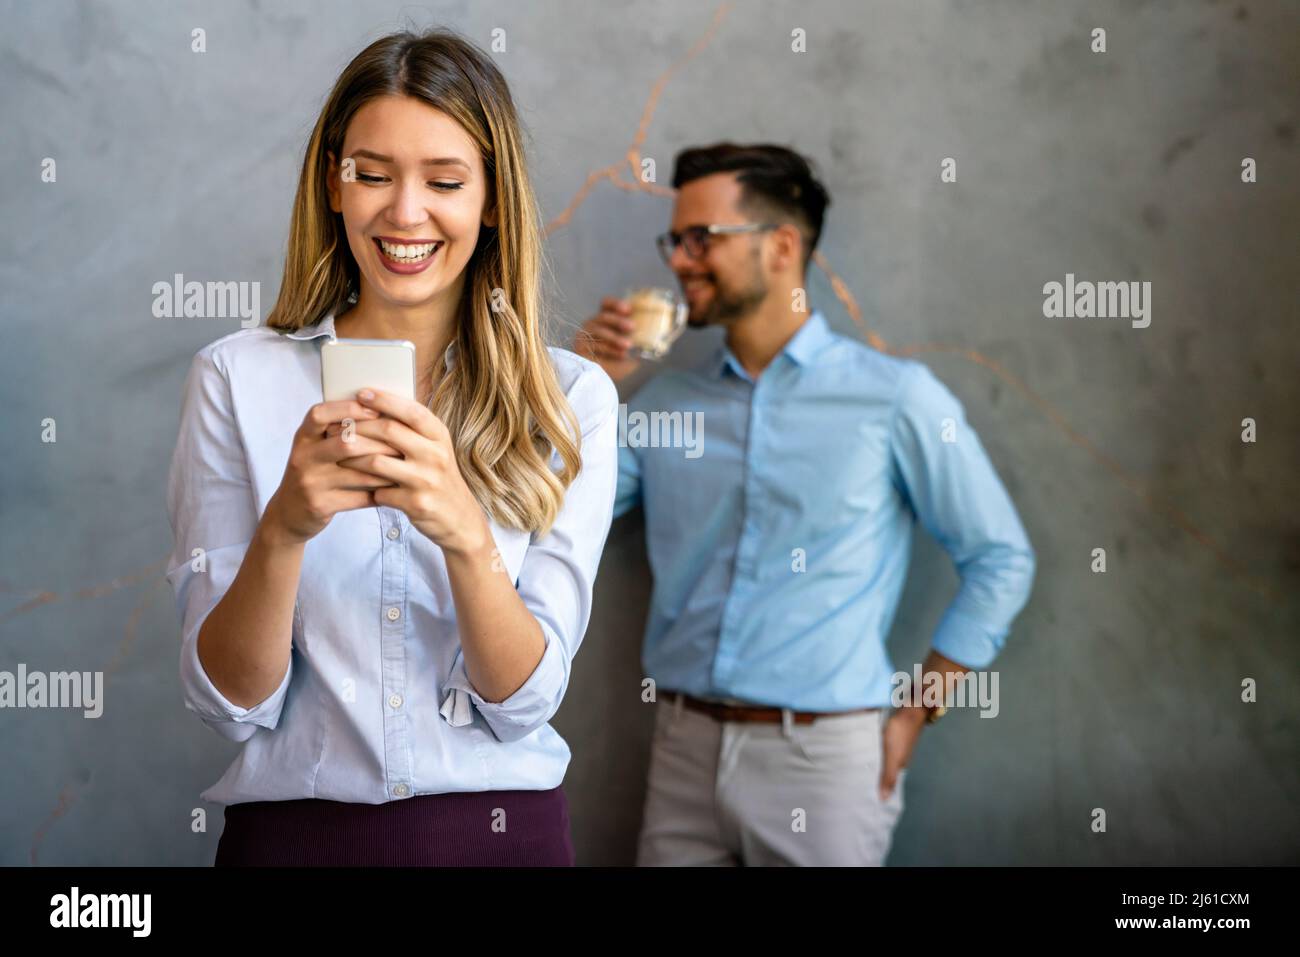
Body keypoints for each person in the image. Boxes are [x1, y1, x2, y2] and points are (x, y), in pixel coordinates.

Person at [164, 28, 618, 866]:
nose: (404, 213)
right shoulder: (236, 377)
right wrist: (284, 529)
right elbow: (227, 703)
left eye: (445, 181)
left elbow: (522, 701)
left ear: (490, 200)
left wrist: (464, 532)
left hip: (501, 836)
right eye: (370, 174)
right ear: (333, 184)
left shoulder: (570, 399)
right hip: (295, 840)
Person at [576, 143, 1036, 866]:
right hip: (681, 751)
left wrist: (918, 708)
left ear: (782, 246)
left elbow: (1000, 556)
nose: (680, 260)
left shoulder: (894, 397)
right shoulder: (662, 403)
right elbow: (552, 520)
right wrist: (587, 388)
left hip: (822, 765)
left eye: (703, 238)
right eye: (676, 239)